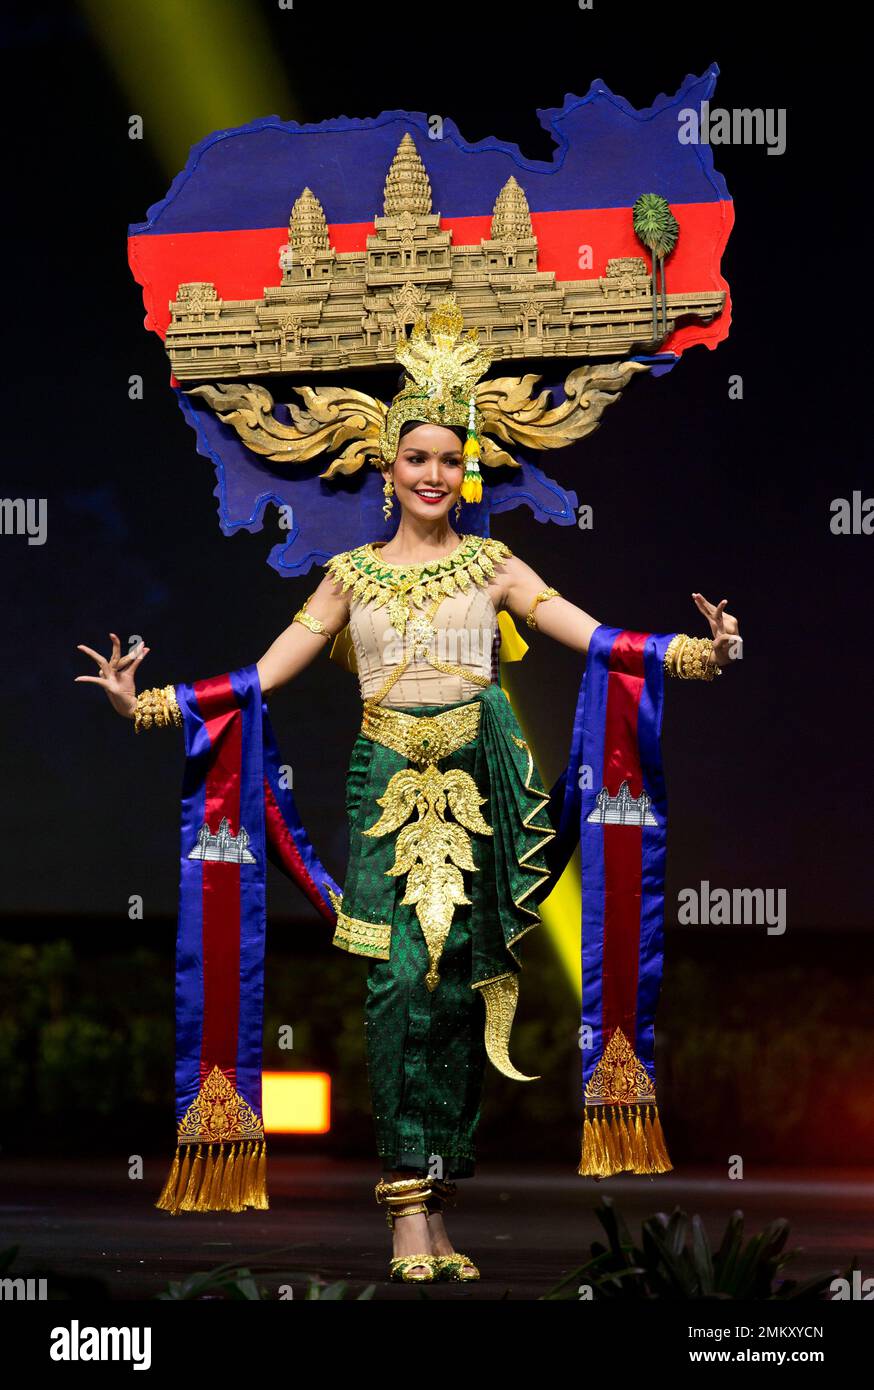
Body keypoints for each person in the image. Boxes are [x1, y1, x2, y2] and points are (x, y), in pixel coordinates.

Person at [76, 408, 739, 1282]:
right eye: (416, 458)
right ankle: (402, 1208)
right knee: (395, 987)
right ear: (387, 471)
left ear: (464, 473)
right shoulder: (349, 575)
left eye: (448, 460)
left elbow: (596, 636)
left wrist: (704, 653)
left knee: (460, 991)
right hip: (387, 789)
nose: (433, 473)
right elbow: (264, 673)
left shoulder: (493, 564)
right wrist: (147, 704)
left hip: (481, 787)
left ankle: (436, 1204)